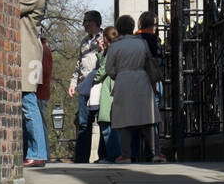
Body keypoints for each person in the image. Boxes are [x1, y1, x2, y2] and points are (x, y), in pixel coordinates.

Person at [105, 14, 162, 164]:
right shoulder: (141, 43)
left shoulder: (115, 46)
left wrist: (119, 74)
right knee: (147, 118)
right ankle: (156, 152)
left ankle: (126, 154)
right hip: (142, 79)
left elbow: (109, 69)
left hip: (123, 80)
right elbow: (148, 60)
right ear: (132, 27)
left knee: (125, 119)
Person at [19, 0, 49, 167]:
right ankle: (35, 151)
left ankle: (37, 152)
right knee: (29, 103)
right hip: (29, 54)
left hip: (29, 55)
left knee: (29, 103)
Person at [69, 10, 104, 163]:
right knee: (84, 123)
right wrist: (73, 83)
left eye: (86, 21)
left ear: (93, 22)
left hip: (98, 85)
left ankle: (104, 156)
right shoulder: (84, 41)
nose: (83, 24)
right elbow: (78, 64)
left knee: (103, 121)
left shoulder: (104, 39)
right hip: (84, 86)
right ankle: (82, 158)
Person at [135, 11, 165, 162]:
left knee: (137, 119)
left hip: (138, 81)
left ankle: (137, 152)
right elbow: (160, 61)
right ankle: (153, 151)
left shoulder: (136, 38)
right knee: (152, 119)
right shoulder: (155, 39)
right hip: (153, 81)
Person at [90, 25, 120, 163]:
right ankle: (113, 155)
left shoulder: (112, 51)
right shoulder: (116, 49)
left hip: (109, 88)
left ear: (107, 39)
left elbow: (103, 69)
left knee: (107, 124)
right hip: (115, 87)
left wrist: (92, 79)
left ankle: (112, 155)